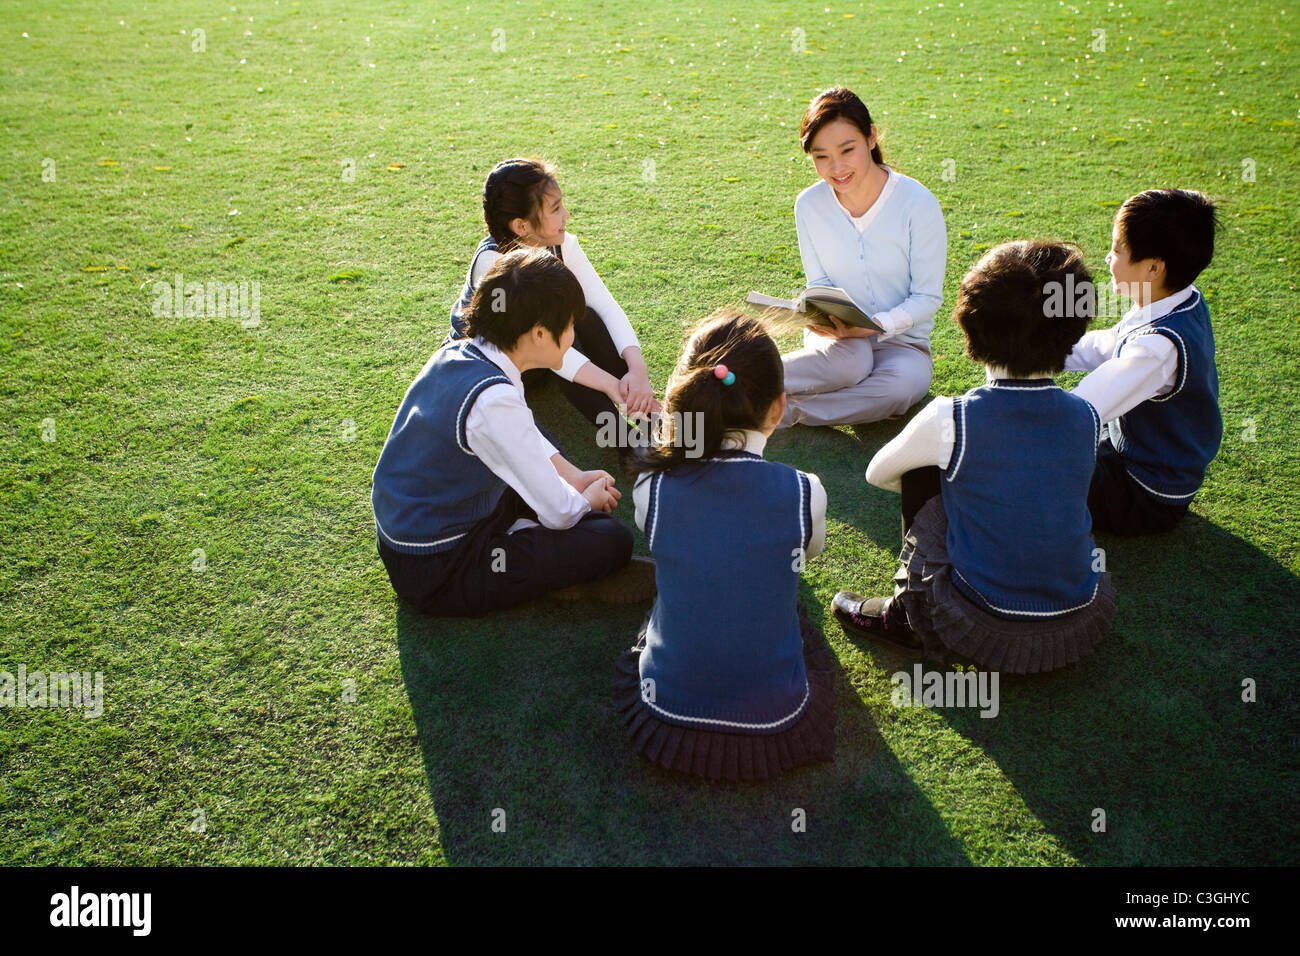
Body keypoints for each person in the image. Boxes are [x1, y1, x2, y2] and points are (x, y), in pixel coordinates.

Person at [833, 241, 1117, 673]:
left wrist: (962, 488)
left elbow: (879, 473)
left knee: (925, 471)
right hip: (1075, 616)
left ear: (971, 325)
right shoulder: (1086, 413)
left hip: (981, 620)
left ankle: (907, 619)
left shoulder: (953, 416)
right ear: (1072, 329)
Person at [613, 312, 836, 781]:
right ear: (777, 409)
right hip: (777, 717)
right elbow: (805, 555)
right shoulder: (804, 491)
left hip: (668, 712)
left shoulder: (651, 487)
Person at [374, 247, 656, 617]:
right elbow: (559, 512)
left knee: (564, 508)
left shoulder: (465, 354)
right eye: (569, 325)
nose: (573, 335)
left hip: (425, 528)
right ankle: (567, 573)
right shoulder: (494, 398)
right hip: (439, 566)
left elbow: (518, 434)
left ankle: (540, 549)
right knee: (609, 539)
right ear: (540, 333)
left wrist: (572, 475)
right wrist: (583, 498)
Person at [778, 87, 947, 428]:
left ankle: (784, 410)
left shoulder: (918, 203)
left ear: (871, 138)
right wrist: (823, 316)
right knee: (852, 364)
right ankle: (734, 378)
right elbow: (820, 282)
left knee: (901, 389)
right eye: (821, 156)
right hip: (838, 342)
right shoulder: (808, 205)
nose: (836, 168)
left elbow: (927, 299)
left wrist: (875, 326)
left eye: (847, 150)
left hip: (904, 345)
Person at [448, 157, 660, 426]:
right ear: (521, 226)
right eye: (556, 209)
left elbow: (605, 306)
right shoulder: (493, 267)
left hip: (544, 356)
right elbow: (545, 345)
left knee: (585, 315)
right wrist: (612, 386)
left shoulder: (562, 244)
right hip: (498, 370)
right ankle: (626, 444)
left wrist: (637, 371)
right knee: (557, 330)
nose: (567, 215)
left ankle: (647, 412)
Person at [1067, 188, 1222, 535]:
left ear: (1153, 267)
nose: (1108, 258)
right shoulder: (1178, 298)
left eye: (1117, 250)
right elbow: (1111, 344)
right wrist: (1047, 349)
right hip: (1131, 449)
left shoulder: (1157, 348)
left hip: (1144, 493)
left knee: (1033, 465)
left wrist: (1013, 411)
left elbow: (1080, 412)